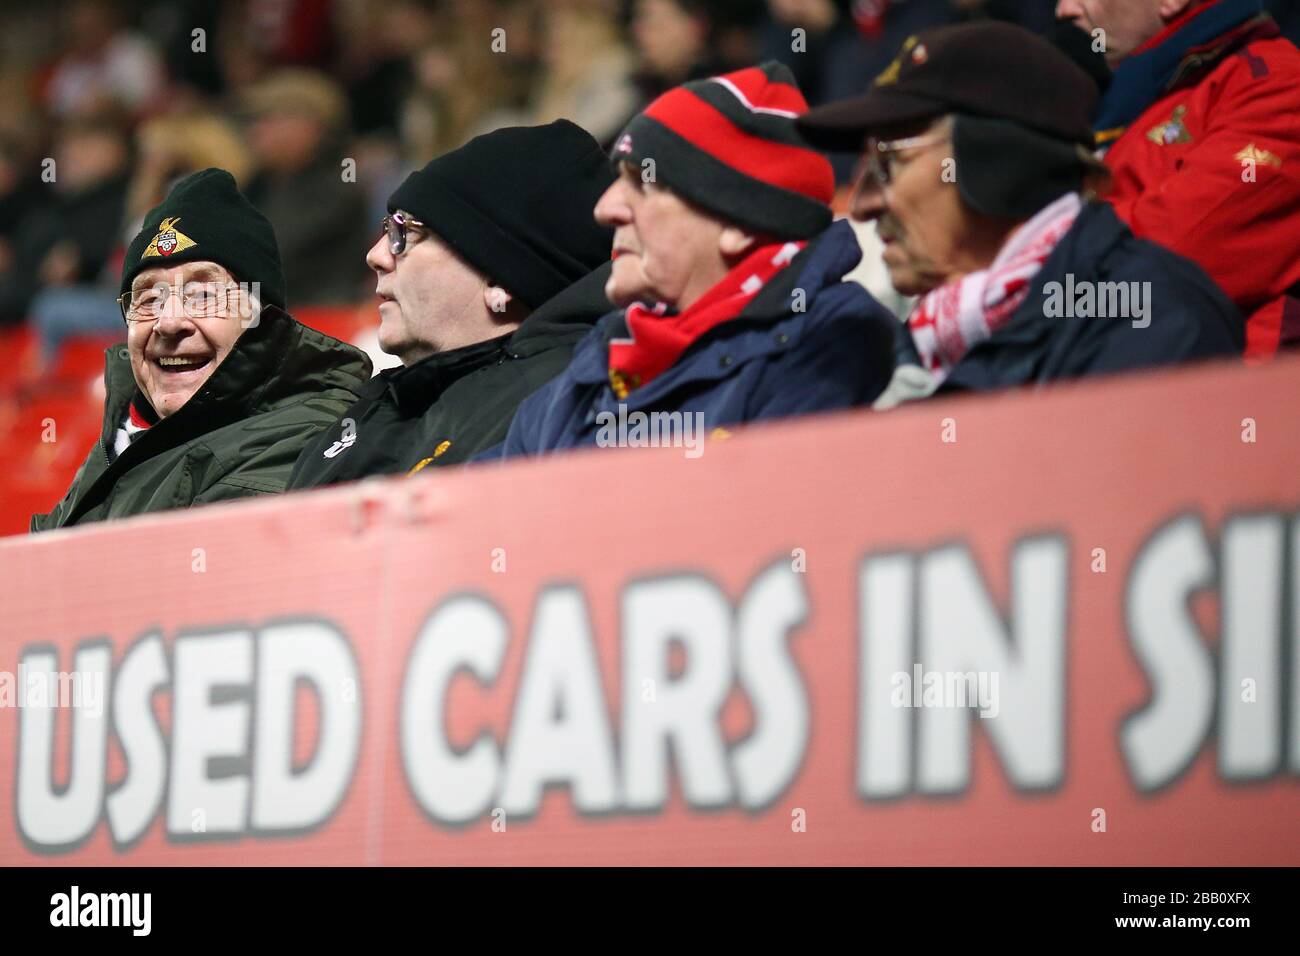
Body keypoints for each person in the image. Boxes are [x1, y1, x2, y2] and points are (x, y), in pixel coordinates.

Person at [795, 21, 1242, 407]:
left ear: (995, 163)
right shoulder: (919, 345)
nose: (863, 203)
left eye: (888, 163)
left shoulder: (1151, 318)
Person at [494, 62, 896, 458]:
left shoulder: (834, 341)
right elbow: (480, 505)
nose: (606, 208)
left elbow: (757, 514)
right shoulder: (605, 353)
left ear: (739, 222)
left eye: (644, 183)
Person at [30, 168, 371, 531]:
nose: (168, 322)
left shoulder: (300, 438)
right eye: (148, 298)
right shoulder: (126, 430)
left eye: (203, 295)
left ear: (264, 320)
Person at [287, 120, 615, 487]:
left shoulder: (562, 410)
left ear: (500, 278)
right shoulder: (378, 403)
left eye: (405, 233)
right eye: (385, 230)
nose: (376, 256)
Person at [1055, 0, 1300, 360]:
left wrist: (1030, 260)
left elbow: (1168, 262)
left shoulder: (1278, 86)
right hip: (1099, 371)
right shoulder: (1104, 91)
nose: (1064, 10)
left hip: (1219, 395)